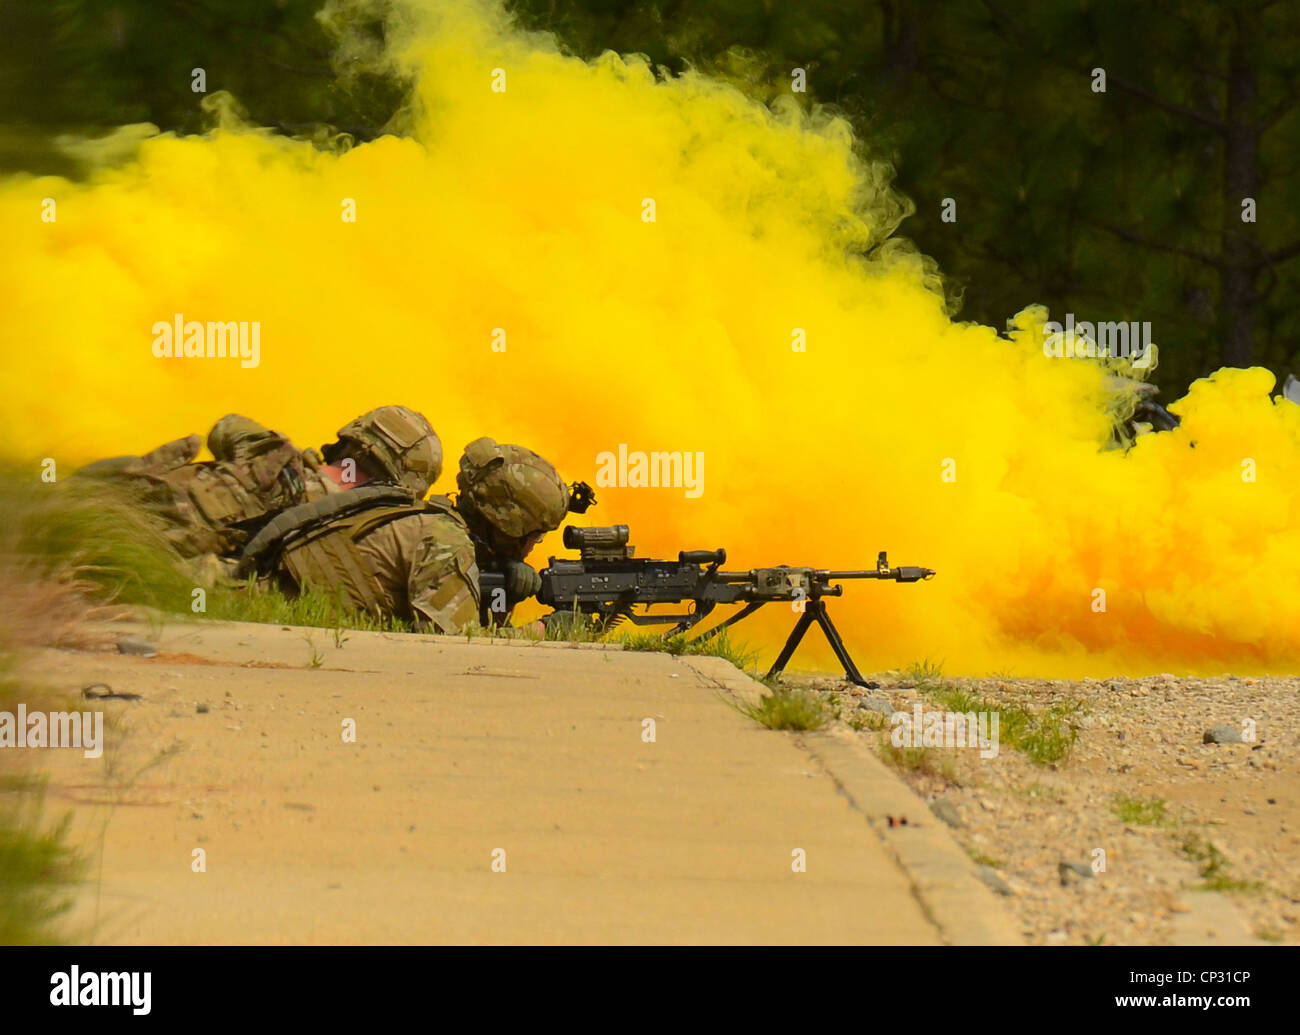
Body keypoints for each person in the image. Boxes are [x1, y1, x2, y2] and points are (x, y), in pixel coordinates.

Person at [240, 437, 577, 633]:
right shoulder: (446, 542)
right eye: (535, 534)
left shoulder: (433, 520)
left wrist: (502, 597)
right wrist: (546, 630)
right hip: (252, 606)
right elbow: (457, 650)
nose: (534, 545)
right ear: (507, 524)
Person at [74, 405, 442, 562]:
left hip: (119, 500)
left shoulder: (273, 454)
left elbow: (225, 427)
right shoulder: (337, 526)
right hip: (144, 542)